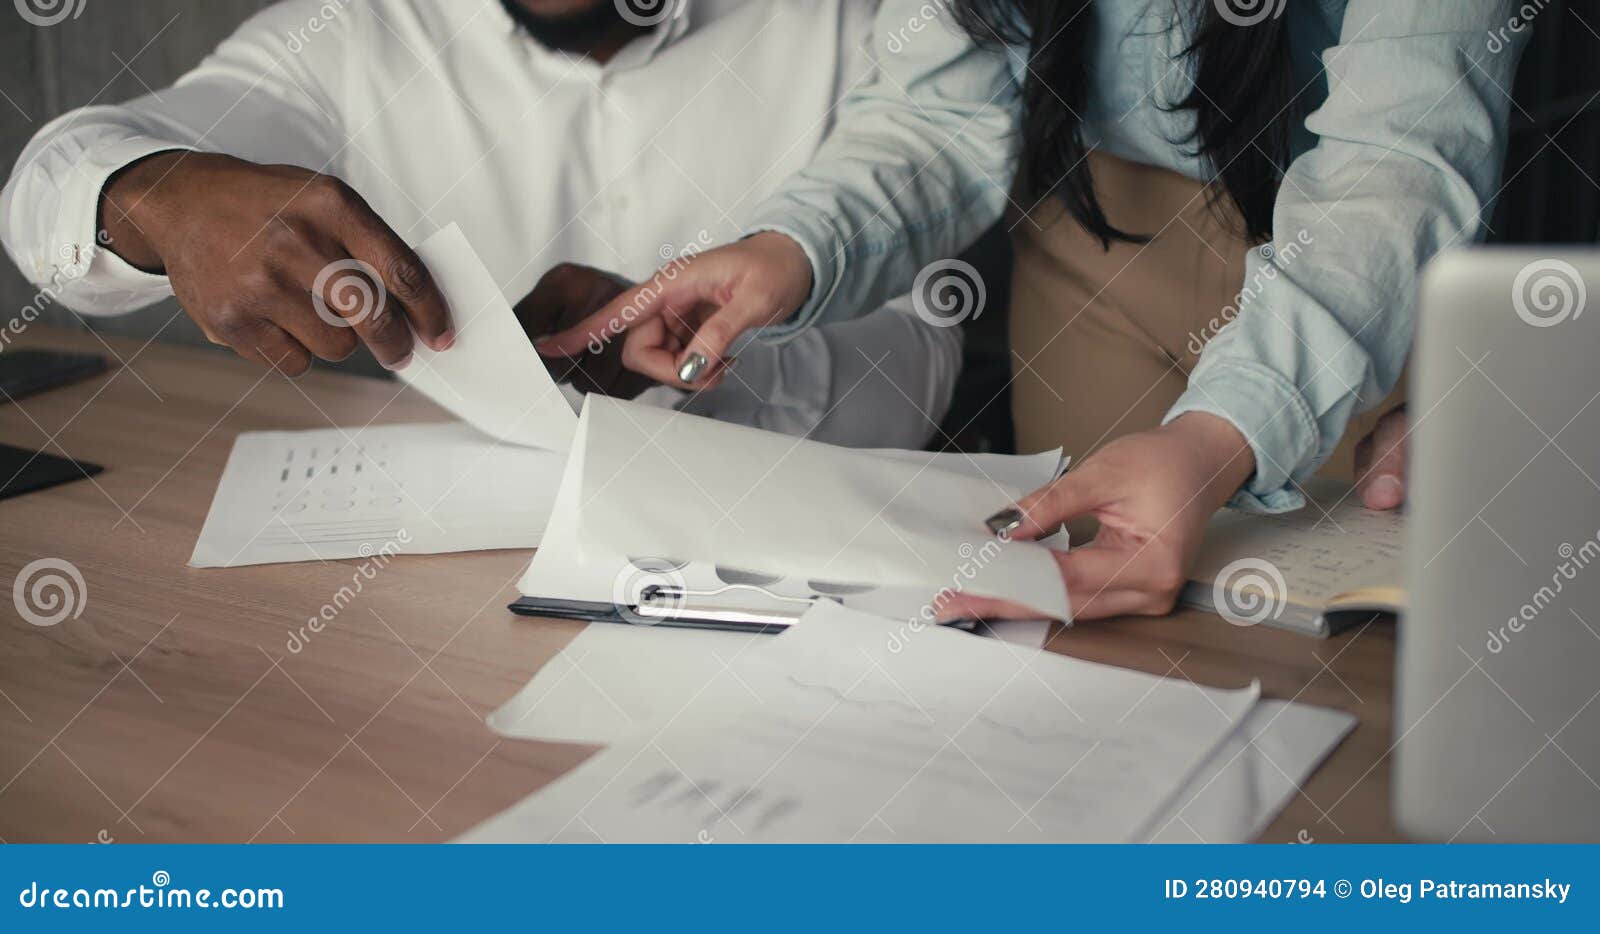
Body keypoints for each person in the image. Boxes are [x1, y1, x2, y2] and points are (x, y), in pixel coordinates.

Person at [537, 0, 1531, 620]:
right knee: (1091, 625)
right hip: (1094, 228)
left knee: (1338, 644)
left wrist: (1226, 428)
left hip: (1361, 257)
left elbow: (1399, 161)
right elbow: (941, 112)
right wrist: (788, 249)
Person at [0, 0, 983, 450]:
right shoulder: (350, 32)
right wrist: (154, 197)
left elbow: (924, 336)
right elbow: (50, 186)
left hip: (849, 578)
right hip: (471, 606)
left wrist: (721, 364)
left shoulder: (869, 19)